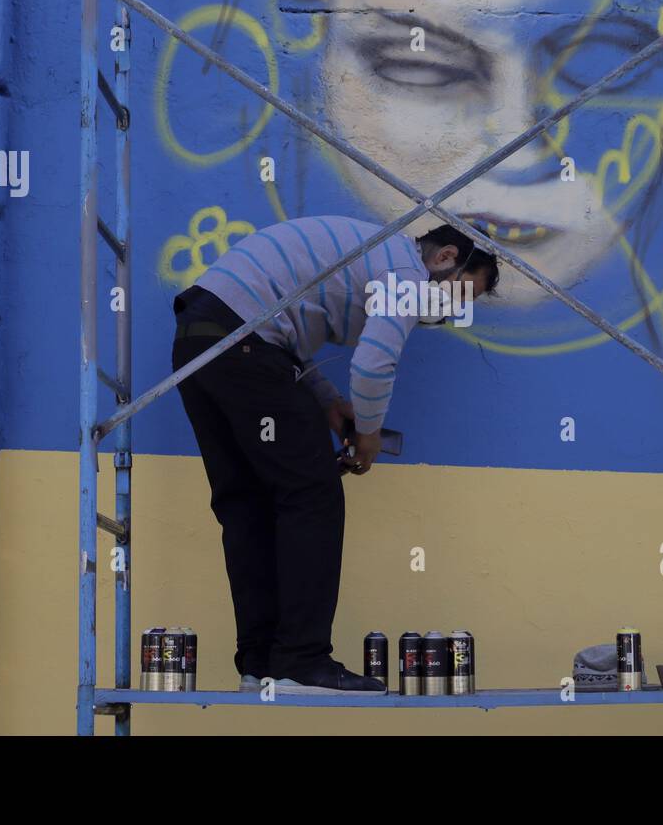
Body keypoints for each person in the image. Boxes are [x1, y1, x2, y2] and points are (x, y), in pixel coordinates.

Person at [172, 216, 498, 694]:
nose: (447, 312)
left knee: (247, 506)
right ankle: (301, 661)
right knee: (312, 496)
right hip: (245, 345)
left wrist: (328, 403)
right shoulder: (406, 272)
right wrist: (366, 433)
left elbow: (277, 341)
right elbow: (372, 363)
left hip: (202, 340)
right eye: (458, 296)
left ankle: (260, 662)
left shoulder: (372, 252)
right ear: (445, 257)